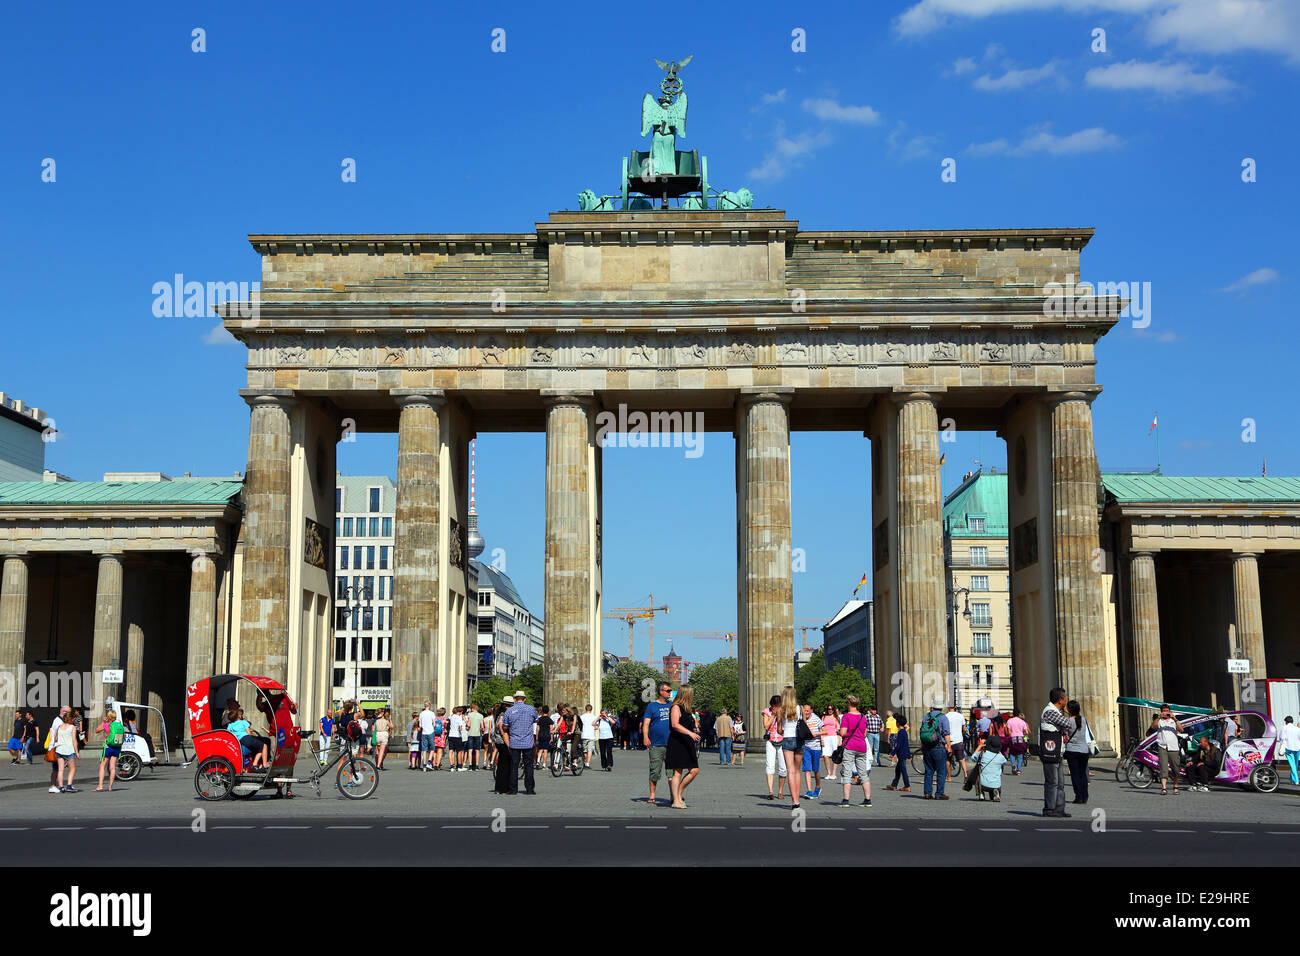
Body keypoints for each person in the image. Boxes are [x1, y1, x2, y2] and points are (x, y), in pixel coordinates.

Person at [666, 685, 701, 809]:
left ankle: (678, 793)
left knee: (694, 770)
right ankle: (676, 800)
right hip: (677, 742)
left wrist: (694, 733)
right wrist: (690, 733)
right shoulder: (676, 707)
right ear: (686, 695)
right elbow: (674, 724)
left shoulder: (687, 709)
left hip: (687, 742)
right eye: (691, 694)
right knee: (678, 772)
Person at [1040, 687, 1072, 816]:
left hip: (1057, 751)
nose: (1066, 700)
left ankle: (1059, 808)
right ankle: (1049, 809)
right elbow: (1068, 723)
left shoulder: (1055, 712)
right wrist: (1069, 712)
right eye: (1065, 697)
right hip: (1050, 752)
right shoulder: (1050, 712)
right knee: (1052, 781)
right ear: (1060, 700)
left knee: (1060, 783)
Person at [500, 690, 538, 795]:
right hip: (528, 742)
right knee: (529, 766)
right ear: (524, 699)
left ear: (515, 699)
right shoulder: (531, 709)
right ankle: (530, 789)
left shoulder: (509, 711)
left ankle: (513, 789)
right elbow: (536, 720)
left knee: (514, 766)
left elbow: (505, 726)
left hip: (515, 742)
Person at [837, 694, 872, 807]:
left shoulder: (846, 717)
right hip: (861, 746)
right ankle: (867, 800)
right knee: (863, 773)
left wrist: (839, 732)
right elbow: (865, 733)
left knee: (847, 773)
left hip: (850, 746)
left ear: (849, 703)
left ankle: (846, 800)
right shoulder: (863, 717)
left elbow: (843, 733)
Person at [642, 682, 673, 806]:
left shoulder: (673, 706)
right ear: (661, 692)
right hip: (656, 744)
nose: (670, 692)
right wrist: (645, 737)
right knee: (654, 771)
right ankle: (652, 794)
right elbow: (646, 724)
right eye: (668, 690)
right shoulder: (652, 706)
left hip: (671, 744)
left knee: (671, 772)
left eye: (670, 691)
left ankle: (673, 795)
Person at [777, 686, 805, 809]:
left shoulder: (781, 710)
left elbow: (779, 730)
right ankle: (798, 798)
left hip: (787, 739)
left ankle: (794, 801)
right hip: (799, 739)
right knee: (798, 771)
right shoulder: (800, 708)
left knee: (790, 771)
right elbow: (803, 723)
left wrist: (783, 730)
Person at [1150, 704, 1184, 796]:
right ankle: (1164, 788)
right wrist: (1158, 718)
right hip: (1162, 746)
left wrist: (1175, 718)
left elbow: (1181, 729)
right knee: (1163, 767)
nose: (1166, 712)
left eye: (1167, 711)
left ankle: (1176, 787)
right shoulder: (1160, 721)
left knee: (1176, 768)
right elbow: (1153, 727)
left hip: (1173, 747)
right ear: (1161, 711)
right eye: (1164, 711)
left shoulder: (1173, 721)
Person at [919, 704, 951, 800]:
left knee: (929, 770)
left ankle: (927, 793)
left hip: (927, 746)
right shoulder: (943, 717)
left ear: (932, 707)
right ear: (941, 707)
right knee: (941, 771)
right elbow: (946, 733)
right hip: (939, 746)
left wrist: (922, 745)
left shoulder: (926, 716)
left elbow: (922, 731)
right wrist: (949, 746)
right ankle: (939, 793)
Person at [1063, 700, 1092, 804]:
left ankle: (1078, 796)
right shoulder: (1083, 719)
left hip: (1072, 750)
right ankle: (1085, 795)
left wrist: (1066, 712)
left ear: (1069, 710)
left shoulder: (1068, 721)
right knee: (1083, 774)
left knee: (1075, 774)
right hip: (1084, 750)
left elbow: (1063, 731)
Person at [762, 694, 787, 800]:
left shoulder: (785, 712)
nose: (777, 708)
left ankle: (780, 791)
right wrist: (773, 715)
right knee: (770, 765)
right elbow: (766, 726)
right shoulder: (767, 712)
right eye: (775, 705)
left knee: (783, 767)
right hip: (771, 740)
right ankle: (770, 791)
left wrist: (781, 715)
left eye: (778, 705)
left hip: (783, 740)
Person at [96, 709, 125, 792]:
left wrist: (103, 722)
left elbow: (97, 730)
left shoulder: (107, 725)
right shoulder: (118, 725)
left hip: (108, 747)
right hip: (116, 747)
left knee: (102, 766)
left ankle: (100, 786)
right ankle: (110, 786)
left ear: (108, 717)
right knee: (112, 767)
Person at [971, 736, 1008, 802]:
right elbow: (1005, 761)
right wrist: (998, 750)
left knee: (976, 772)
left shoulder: (982, 753)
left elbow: (973, 757)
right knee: (997, 771)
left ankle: (981, 793)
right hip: (996, 784)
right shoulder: (1000, 757)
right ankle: (996, 791)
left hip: (983, 784)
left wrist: (980, 746)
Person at [53, 708, 80, 793]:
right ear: (71, 719)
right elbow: (74, 740)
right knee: (72, 769)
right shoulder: (72, 727)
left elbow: (55, 738)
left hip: (59, 749)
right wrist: (77, 752)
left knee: (61, 769)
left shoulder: (59, 727)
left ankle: (61, 787)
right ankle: (69, 785)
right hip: (69, 750)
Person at [801, 703, 824, 799]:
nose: (805, 712)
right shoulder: (801, 719)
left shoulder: (816, 719)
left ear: (811, 711)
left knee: (816, 769)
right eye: (804, 710)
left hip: (816, 747)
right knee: (806, 769)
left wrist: (816, 733)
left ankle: (818, 787)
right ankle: (809, 790)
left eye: (807, 710)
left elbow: (825, 730)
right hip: (806, 747)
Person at [491, 700, 513, 794]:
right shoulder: (503, 716)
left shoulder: (499, 714)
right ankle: (503, 787)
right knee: (505, 766)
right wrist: (509, 745)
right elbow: (503, 731)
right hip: (503, 742)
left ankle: (499, 787)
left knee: (501, 765)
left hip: (499, 742)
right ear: (507, 707)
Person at [885, 715, 911, 792]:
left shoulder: (901, 732)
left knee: (903, 770)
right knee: (898, 770)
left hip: (901, 753)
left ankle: (907, 785)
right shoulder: (904, 732)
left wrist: (893, 753)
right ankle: (894, 784)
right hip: (904, 752)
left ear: (898, 724)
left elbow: (898, 745)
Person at [945, 705, 968, 781]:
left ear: (948, 707)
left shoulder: (946, 716)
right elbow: (964, 729)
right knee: (962, 759)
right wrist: (963, 734)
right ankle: (965, 773)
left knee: (948, 760)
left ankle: (949, 777)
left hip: (950, 741)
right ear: (955, 707)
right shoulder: (961, 716)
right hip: (959, 740)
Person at [1004, 710, 1029, 775]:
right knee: (1020, 754)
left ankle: (1013, 764)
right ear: (1018, 714)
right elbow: (1026, 732)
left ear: (1013, 714)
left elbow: (1008, 732)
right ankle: (1019, 770)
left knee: (1012, 753)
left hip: (1013, 738)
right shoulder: (1022, 722)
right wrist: (1021, 733)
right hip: (1020, 738)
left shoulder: (1009, 721)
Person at [821, 706, 840, 780]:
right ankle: (828, 773)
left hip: (833, 737)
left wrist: (839, 739)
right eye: (829, 709)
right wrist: (822, 738)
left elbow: (838, 728)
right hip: (825, 737)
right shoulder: (824, 717)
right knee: (825, 755)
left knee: (835, 755)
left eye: (832, 709)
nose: (830, 710)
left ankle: (834, 773)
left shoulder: (836, 717)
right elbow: (821, 727)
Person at [1280, 716, 1300, 786]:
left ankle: (1296, 780)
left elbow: (1281, 738)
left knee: (1292, 765)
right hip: (1297, 748)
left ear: (1286, 721)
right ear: (1292, 721)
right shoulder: (1297, 729)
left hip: (1288, 748)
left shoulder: (1284, 728)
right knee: (1296, 764)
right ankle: (1292, 779)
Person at [418, 701, 436, 772]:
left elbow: (420, 725)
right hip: (430, 731)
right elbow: (434, 724)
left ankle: (424, 766)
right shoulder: (432, 713)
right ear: (430, 706)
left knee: (424, 749)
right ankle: (429, 762)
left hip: (424, 732)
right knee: (432, 748)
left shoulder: (421, 713)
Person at [466, 703, 484, 772]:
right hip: (477, 734)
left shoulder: (469, 715)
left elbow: (468, 724)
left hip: (470, 734)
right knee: (477, 750)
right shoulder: (481, 716)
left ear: (472, 709)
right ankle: (476, 765)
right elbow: (482, 727)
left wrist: (466, 723)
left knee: (470, 750)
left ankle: (470, 765)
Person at [579, 703, 598, 768]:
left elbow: (580, 726)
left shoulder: (581, 717)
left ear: (585, 709)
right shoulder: (594, 717)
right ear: (591, 710)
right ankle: (587, 763)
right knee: (590, 750)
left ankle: (585, 761)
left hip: (584, 735)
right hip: (591, 735)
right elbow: (596, 727)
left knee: (585, 750)